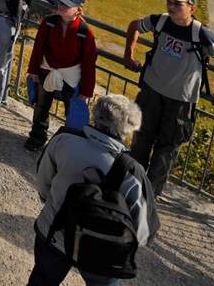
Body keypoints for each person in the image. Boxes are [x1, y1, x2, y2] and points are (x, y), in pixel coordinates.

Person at [29, 94, 159, 286]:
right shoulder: (131, 171)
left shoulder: (64, 139)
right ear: (127, 128)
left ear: (95, 115)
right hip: (101, 248)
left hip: (53, 232)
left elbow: (43, 183)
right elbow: (143, 230)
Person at [122, 0, 214, 197]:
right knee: (141, 139)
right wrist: (128, 55)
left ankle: (148, 196)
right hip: (151, 93)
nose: (171, 7)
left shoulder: (201, 33)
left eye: (178, 4)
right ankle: (130, 189)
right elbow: (134, 25)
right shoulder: (160, 21)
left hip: (180, 102)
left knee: (166, 150)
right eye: (169, 2)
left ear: (192, 8)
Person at [25, 0, 97, 152]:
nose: (62, 6)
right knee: (42, 106)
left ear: (78, 10)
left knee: (71, 113)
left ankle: (67, 146)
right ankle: (37, 137)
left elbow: (89, 63)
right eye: (61, 3)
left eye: (67, 5)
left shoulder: (85, 32)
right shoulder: (48, 22)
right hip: (47, 71)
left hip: (70, 78)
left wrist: (87, 89)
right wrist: (33, 71)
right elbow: (38, 48)